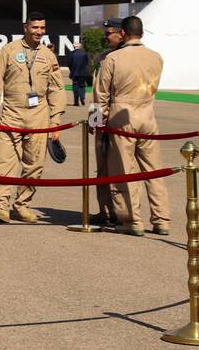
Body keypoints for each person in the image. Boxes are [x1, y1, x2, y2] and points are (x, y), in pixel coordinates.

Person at [0, 12, 66, 224]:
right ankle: (0, 206)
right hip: (11, 114)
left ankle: (22, 205)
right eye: (35, 27)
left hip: (39, 117)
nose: (39, 32)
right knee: (3, 162)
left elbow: (56, 88)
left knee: (34, 165)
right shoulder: (9, 50)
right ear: (25, 27)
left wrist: (56, 120)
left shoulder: (48, 55)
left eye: (42, 28)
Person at [95, 15, 171, 236]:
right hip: (148, 114)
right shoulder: (156, 57)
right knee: (154, 170)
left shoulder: (113, 59)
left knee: (124, 171)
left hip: (121, 116)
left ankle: (131, 220)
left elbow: (100, 96)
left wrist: (96, 124)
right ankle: (162, 219)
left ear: (124, 33)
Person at [89, 18, 126, 226]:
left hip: (116, 119)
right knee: (101, 167)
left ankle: (121, 212)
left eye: (108, 33)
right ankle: (105, 209)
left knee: (117, 167)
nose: (105, 36)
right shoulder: (104, 56)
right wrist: (94, 120)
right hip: (100, 119)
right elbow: (97, 92)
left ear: (121, 33)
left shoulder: (123, 57)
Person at [66, 40, 91, 107]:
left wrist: (72, 70)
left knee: (75, 86)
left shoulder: (71, 53)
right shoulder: (84, 53)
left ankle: (76, 101)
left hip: (74, 73)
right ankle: (82, 97)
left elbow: (69, 63)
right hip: (83, 73)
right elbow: (87, 63)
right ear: (80, 46)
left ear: (74, 46)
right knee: (82, 86)